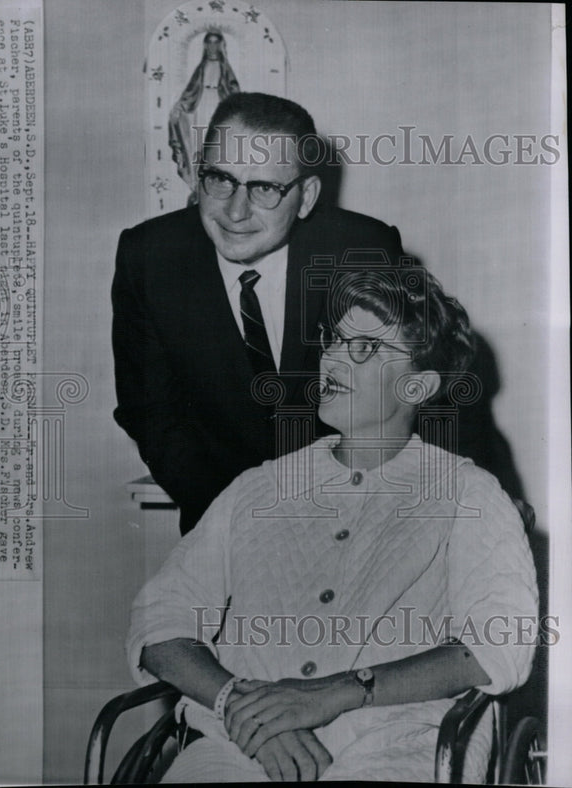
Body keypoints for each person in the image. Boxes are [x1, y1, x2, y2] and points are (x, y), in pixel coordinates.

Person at [126, 266, 538, 782]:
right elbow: (159, 622)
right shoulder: (258, 488)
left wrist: (340, 691)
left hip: (400, 748)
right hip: (243, 746)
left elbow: (502, 646)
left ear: (417, 385)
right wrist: (239, 705)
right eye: (334, 338)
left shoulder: (469, 495)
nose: (332, 358)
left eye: (363, 348)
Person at [112, 92, 405, 534]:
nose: (235, 210)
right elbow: (152, 411)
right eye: (220, 179)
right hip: (222, 522)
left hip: (355, 515)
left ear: (305, 197)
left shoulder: (362, 251)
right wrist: (239, 518)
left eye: (264, 188)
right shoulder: (150, 258)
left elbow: (408, 392)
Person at [168, 31, 240, 197]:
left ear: (221, 46)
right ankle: (197, 180)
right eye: (209, 43)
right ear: (205, 46)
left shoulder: (225, 68)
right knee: (199, 141)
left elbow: (233, 90)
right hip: (201, 106)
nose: (213, 47)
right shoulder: (201, 68)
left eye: (216, 43)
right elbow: (191, 91)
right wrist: (180, 106)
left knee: (215, 141)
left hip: (218, 104)